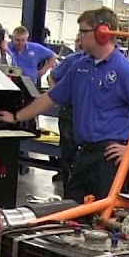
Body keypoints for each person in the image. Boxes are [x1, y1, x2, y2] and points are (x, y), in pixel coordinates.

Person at [0, 7, 129, 203]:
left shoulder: (125, 71)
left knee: (103, 221)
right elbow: (50, 98)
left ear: (103, 33)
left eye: (83, 31)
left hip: (109, 159)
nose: (79, 37)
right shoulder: (80, 67)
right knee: (73, 213)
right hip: (83, 154)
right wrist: (16, 117)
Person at [48, 39, 86, 184]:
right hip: (69, 113)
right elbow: (53, 76)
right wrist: (57, 95)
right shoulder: (72, 61)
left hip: (87, 115)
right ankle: (68, 190)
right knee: (68, 155)